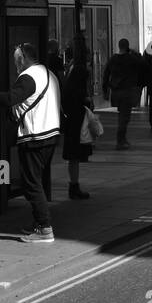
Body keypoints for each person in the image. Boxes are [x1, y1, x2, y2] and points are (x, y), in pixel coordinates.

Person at [0, 44, 62, 245]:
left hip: (36, 136)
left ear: (24, 57)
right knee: (36, 181)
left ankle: (45, 228)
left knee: (31, 183)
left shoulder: (29, 76)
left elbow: (11, 98)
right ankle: (39, 223)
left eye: (16, 59)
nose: (15, 63)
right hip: (50, 134)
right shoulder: (48, 73)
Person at [61, 38, 93, 200]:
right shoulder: (79, 70)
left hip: (71, 117)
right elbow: (77, 94)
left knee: (73, 155)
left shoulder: (72, 68)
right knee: (74, 154)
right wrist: (86, 101)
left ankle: (74, 185)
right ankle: (74, 187)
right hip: (76, 118)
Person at [102, 38, 147, 149]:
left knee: (122, 115)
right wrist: (134, 52)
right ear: (127, 46)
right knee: (124, 117)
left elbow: (106, 74)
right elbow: (143, 64)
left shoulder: (113, 59)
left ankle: (122, 139)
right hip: (127, 90)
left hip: (116, 91)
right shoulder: (131, 58)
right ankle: (120, 140)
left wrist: (105, 90)